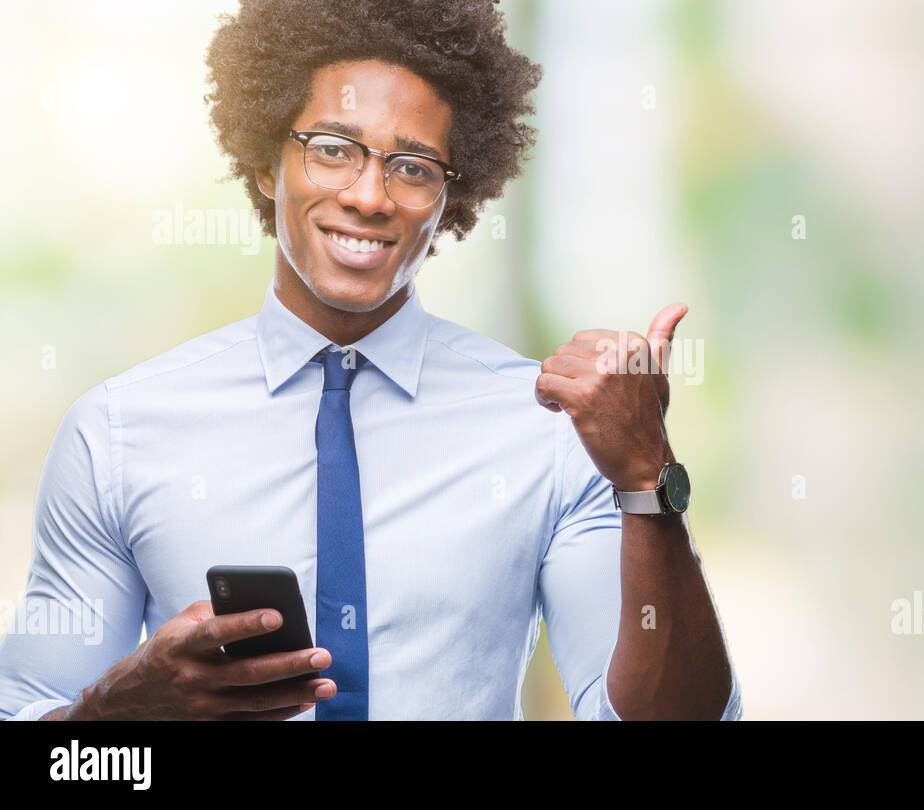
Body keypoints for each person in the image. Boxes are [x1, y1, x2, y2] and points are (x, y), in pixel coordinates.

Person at [0, 0, 740, 721]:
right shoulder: (118, 431)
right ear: (266, 162)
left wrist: (648, 479)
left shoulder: (550, 430)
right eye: (332, 149)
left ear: (449, 198)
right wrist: (121, 712)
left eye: (413, 167)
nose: (369, 196)